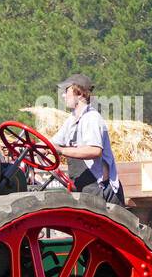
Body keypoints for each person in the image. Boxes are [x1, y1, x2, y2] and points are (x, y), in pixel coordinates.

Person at [51, 73, 125, 205]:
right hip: (84, 189)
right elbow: (52, 143)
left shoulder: (91, 118)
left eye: (67, 90)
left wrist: (61, 150)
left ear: (79, 94)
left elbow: (94, 150)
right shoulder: (71, 121)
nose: (63, 95)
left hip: (99, 190)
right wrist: (33, 146)